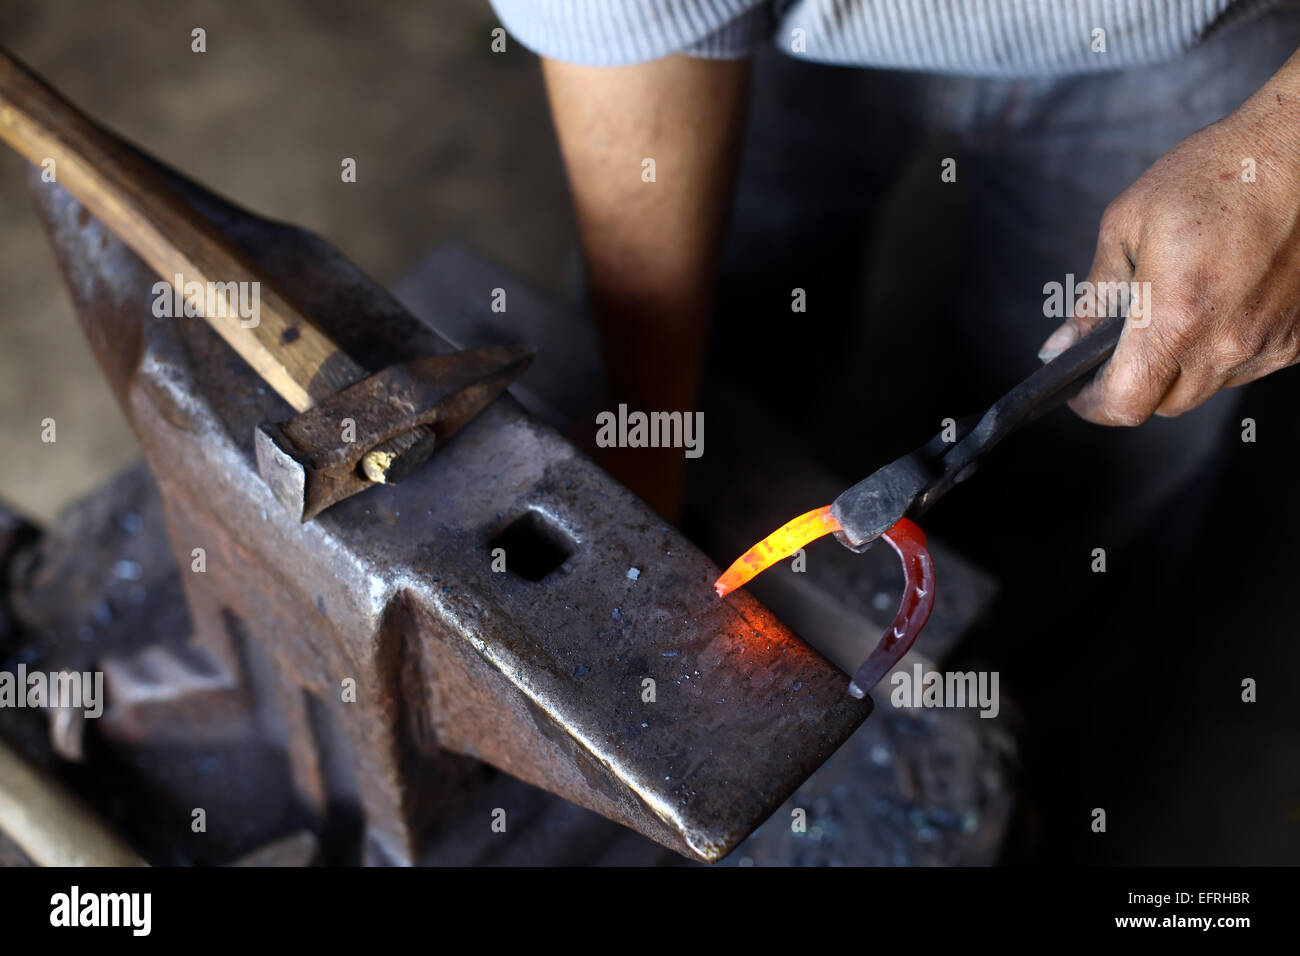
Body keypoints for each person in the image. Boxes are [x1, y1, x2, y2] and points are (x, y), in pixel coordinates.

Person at [489, 0, 1300, 531]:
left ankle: (1020, 747)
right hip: (750, 27)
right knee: (713, 355)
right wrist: (647, 412)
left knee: (1083, 487)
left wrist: (1287, 153)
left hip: (1221, 49)